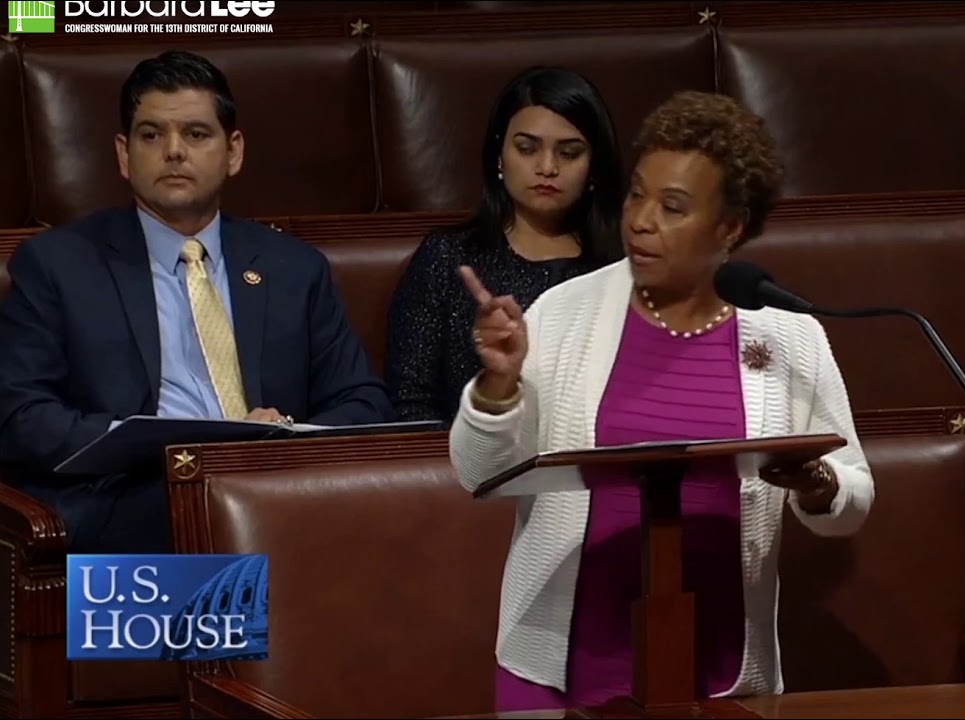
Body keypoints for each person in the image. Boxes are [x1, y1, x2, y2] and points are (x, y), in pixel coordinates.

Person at [449, 91, 876, 711]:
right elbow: (478, 474)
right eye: (636, 195)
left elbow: (853, 498)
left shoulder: (789, 336)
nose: (641, 220)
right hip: (558, 669)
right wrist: (498, 386)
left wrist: (815, 482)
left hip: (721, 676)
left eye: (672, 207)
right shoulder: (565, 315)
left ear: (729, 227)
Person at [0, 50, 392, 555]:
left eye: (196, 134)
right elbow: (21, 417)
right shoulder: (58, 264)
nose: (173, 151)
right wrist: (137, 440)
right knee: (216, 515)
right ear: (123, 155)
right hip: (127, 501)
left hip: (272, 490)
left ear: (233, 152)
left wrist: (282, 436)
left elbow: (363, 403)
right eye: (151, 135)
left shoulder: (293, 267)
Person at [384, 66, 625, 425]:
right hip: (468, 471)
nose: (547, 167)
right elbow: (411, 406)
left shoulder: (623, 268)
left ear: (594, 168)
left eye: (569, 153)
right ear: (499, 156)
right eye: (527, 148)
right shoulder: (449, 258)